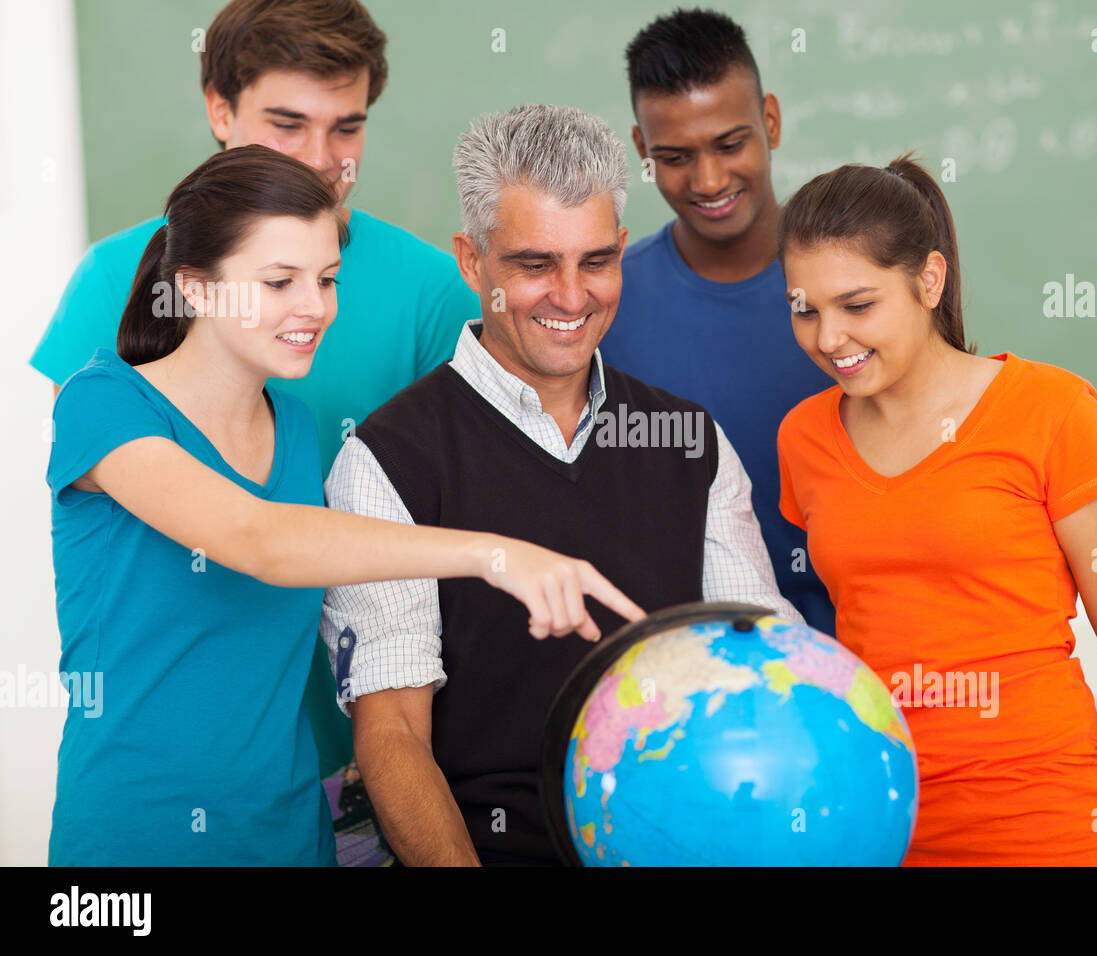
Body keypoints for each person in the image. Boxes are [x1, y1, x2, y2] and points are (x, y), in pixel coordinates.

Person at [46, 145, 643, 866]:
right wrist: (492, 553)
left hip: (290, 836)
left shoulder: (294, 426)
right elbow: (258, 539)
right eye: (279, 282)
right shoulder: (104, 401)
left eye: (325, 279)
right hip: (133, 842)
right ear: (196, 288)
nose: (314, 308)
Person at [320, 104, 801, 867]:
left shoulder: (693, 443)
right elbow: (395, 736)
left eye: (595, 262)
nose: (572, 298)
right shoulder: (388, 462)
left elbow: (767, 673)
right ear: (473, 262)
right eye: (535, 265)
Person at [29, 0, 479, 781]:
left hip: (369, 759)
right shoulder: (113, 284)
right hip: (167, 775)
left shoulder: (431, 294)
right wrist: (503, 558)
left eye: (348, 125)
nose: (321, 158)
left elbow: (463, 493)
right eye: (286, 122)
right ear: (219, 109)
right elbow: (162, 532)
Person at [775, 155, 1097, 866]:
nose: (828, 338)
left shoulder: (1052, 412)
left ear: (929, 280)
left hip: (1046, 833)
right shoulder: (803, 438)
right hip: (878, 833)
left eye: (858, 305)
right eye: (804, 309)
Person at [597, 9, 836, 635]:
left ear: (772, 122)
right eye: (676, 155)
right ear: (643, 149)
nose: (709, 180)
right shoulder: (604, 303)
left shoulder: (864, 287)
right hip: (681, 663)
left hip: (862, 653)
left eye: (731, 144)